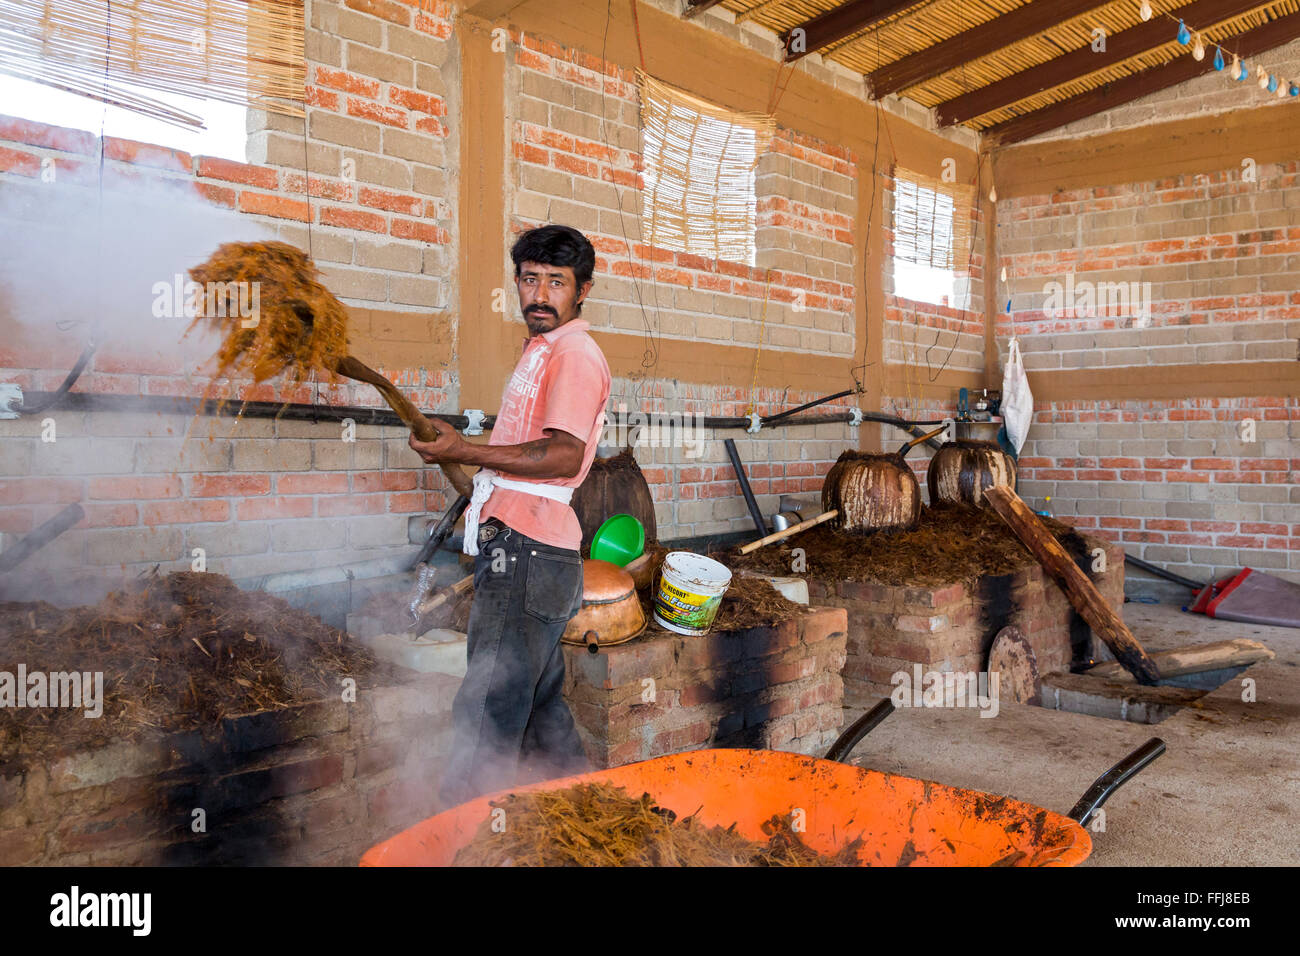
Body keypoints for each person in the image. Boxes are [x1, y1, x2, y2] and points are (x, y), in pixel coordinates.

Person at [408, 224, 611, 808]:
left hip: (528, 554)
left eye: (556, 282)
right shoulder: (542, 351)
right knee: (540, 706)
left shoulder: (573, 353)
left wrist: (464, 449)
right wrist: (469, 471)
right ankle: (587, 818)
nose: (540, 294)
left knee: (487, 708)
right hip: (527, 550)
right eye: (529, 279)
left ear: (583, 291)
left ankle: (459, 839)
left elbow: (565, 454)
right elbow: (516, 461)